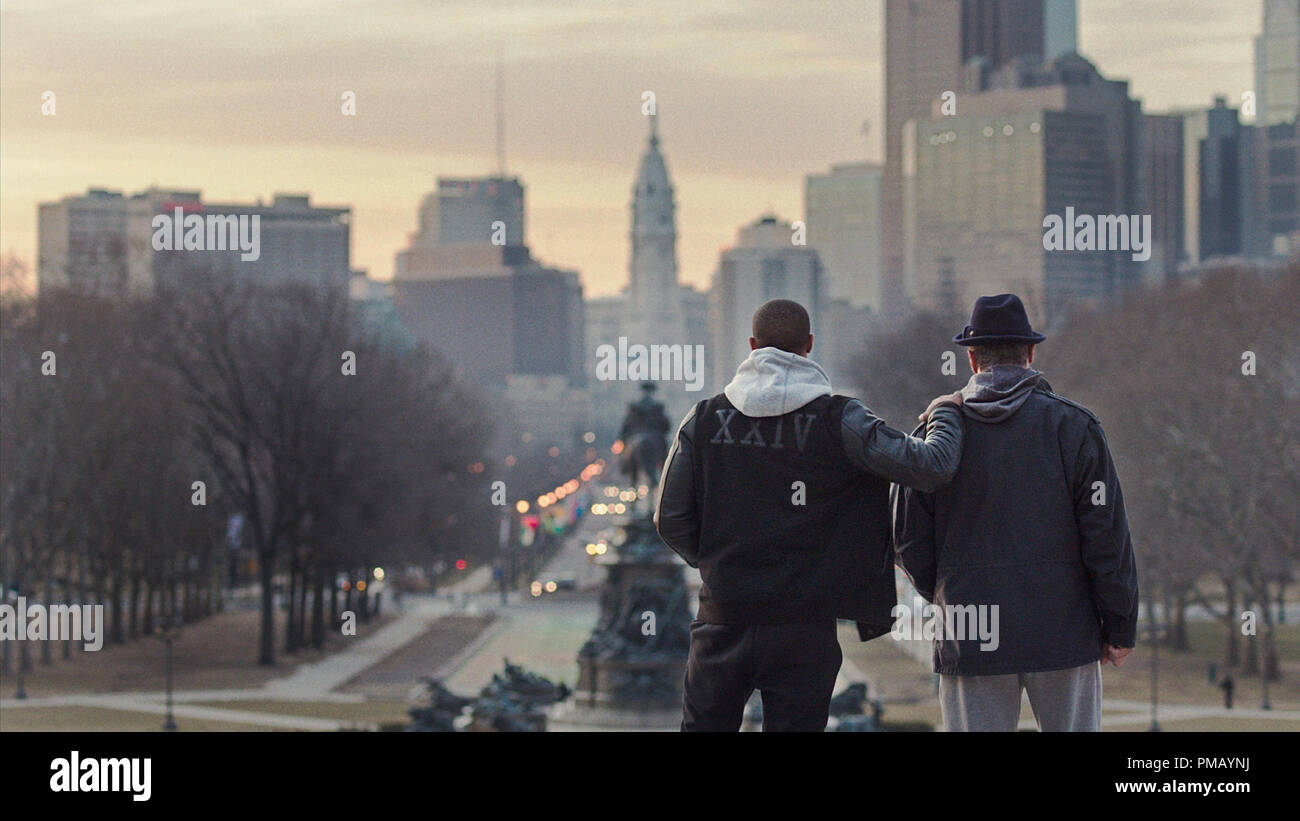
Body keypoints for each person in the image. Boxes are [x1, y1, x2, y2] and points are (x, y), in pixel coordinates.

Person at [654, 299, 964, 732]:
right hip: (804, 624)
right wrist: (947, 409)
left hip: (723, 616)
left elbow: (669, 518)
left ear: (752, 345)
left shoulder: (703, 419)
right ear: (809, 346)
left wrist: (716, 562)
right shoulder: (841, 419)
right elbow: (931, 466)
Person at [893, 293, 1139, 732]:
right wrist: (1119, 626)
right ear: (1030, 353)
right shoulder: (1076, 428)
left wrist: (951, 592)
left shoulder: (933, 436)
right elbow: (1107, 538)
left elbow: (908, 539)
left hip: (970, 632)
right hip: (1064, 631)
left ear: (972, 359)